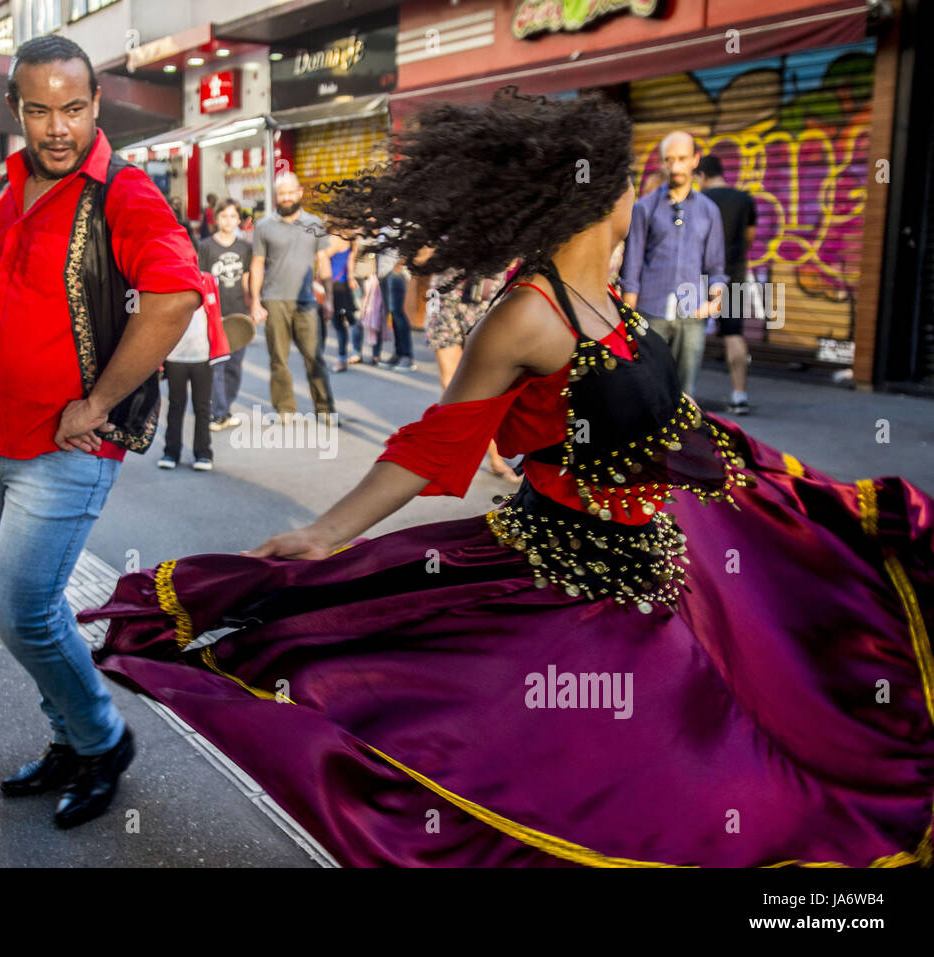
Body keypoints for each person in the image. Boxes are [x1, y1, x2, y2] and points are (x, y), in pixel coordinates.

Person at [80, 90, 934, 868]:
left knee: (757, 724)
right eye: (632, 182)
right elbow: (431, 442)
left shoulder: (616, 298)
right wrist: (326, 532)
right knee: (625, 770)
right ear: (608, 196)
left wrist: (785, 481)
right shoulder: (529, 314)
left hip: (671, 564)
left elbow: (670, 427)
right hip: (572, 580)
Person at [0, 35, 204, 830]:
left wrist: (101, 400)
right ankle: (70, 737)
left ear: (96, 104)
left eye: (72, 107)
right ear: (15, 111)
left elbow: (175, 298)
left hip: (65, 451)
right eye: (38, 110)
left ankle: (103, 738)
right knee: (21, 612)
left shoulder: (124, 192)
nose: (57, 127)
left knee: (21, 610)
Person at [619, 131, 726, 399]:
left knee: (685, 392)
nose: (676, 166)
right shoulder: (644, 208)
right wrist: (627, 320)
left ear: (695, 160)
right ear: (662, 163)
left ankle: (679, 441)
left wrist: (716, 302)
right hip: (650, 312)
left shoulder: (709, 210)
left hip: (692, 314)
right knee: (647, 388)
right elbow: (632, 267)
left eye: (682, 158)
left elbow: (716, 268)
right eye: (669, 159)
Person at [250, 172, 339, 425]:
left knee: (315, 357)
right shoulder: (263, 226)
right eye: (282, 193)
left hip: (306, 301)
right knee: (279, 359)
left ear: (299, 193)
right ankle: (285, 410)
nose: (287, 197)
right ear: (277, 195)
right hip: (274, 300)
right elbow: (257, 264)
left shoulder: (314, 223)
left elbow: (323, 262)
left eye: (291, 192)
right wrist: (255, 301)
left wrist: (329, 298)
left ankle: (325, 409)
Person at [425, 269, 520, 481]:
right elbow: (421, 256)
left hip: (486, 298)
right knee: (450, 384)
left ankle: (495, 458)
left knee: (490, 384)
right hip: (444, 295)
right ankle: (451, 457)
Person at [695, 154, 757, 415]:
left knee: (691, 335)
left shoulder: (699, 200)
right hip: (733, 272)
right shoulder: (744, 200)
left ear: (702, 175)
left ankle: (684, 393)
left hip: (698, 274)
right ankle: (739, 395)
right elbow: (749, 238)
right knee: (733, 333)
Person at [158, 273, 228, 471]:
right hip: (175, 356)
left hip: (202, 356)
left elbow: (214, 314)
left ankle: (203, 454)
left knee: (202, 407)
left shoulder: (207, 281)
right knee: (176, 405)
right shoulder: (170, 280)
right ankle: (171, 452)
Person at [199, 199, 251, 431]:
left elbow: (247, 279)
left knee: (234, 367)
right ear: (216, 218)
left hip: (239, 314)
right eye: (224, 216)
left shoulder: (244, 247)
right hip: (215, 315)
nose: (228, 220)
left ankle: (223, 408)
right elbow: (201, 280)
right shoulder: (206, 246)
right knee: (217, 365)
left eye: (232, 216)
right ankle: (218, 413)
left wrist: (254, 306)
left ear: (238, 220)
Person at [374, 229, 416, 371]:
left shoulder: (406, 218)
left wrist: (398, 266)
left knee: (397, 312)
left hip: (396, 273)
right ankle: (398, 354)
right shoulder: (386, 219)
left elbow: (412, 243)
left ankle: (407, 356)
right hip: (384, 273)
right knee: (393, 315)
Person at [327, 236, 362, 372]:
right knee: (351, 321)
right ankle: (355, 352)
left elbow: (322, 256)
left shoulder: (336, 240)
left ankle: (343, 358)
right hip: (343, 285)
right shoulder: (352, 240)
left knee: (340, 324)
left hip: (337, 285)